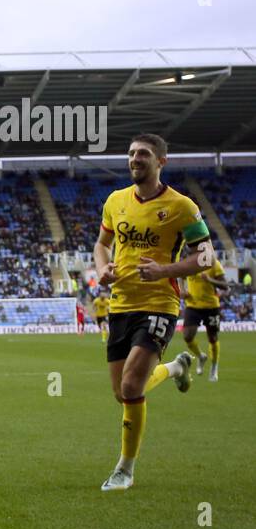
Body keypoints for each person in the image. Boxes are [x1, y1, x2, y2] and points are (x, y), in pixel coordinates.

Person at [94, 133, 211, 492]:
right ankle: (177, 367)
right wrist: (102, 269)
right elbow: (102, 245)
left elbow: (206, 257)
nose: (135, 159)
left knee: (131, 385)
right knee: (123, 393)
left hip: (159, 303)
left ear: (161, 161)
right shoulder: (115, 201)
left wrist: (164, 271)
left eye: (143, 154)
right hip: (121, 305)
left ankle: (125, 469)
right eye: (131, 154)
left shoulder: (182, 207)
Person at [180, 257, 227, 382]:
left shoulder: (214, 264)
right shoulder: (189, 263)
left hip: (211, 307)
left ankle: (214, 366)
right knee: (187, 336)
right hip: (192, 305)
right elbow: (180, 276)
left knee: (213, 338)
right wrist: (183, 290)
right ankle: (201, 356)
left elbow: (225, 286)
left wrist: (210, 279)